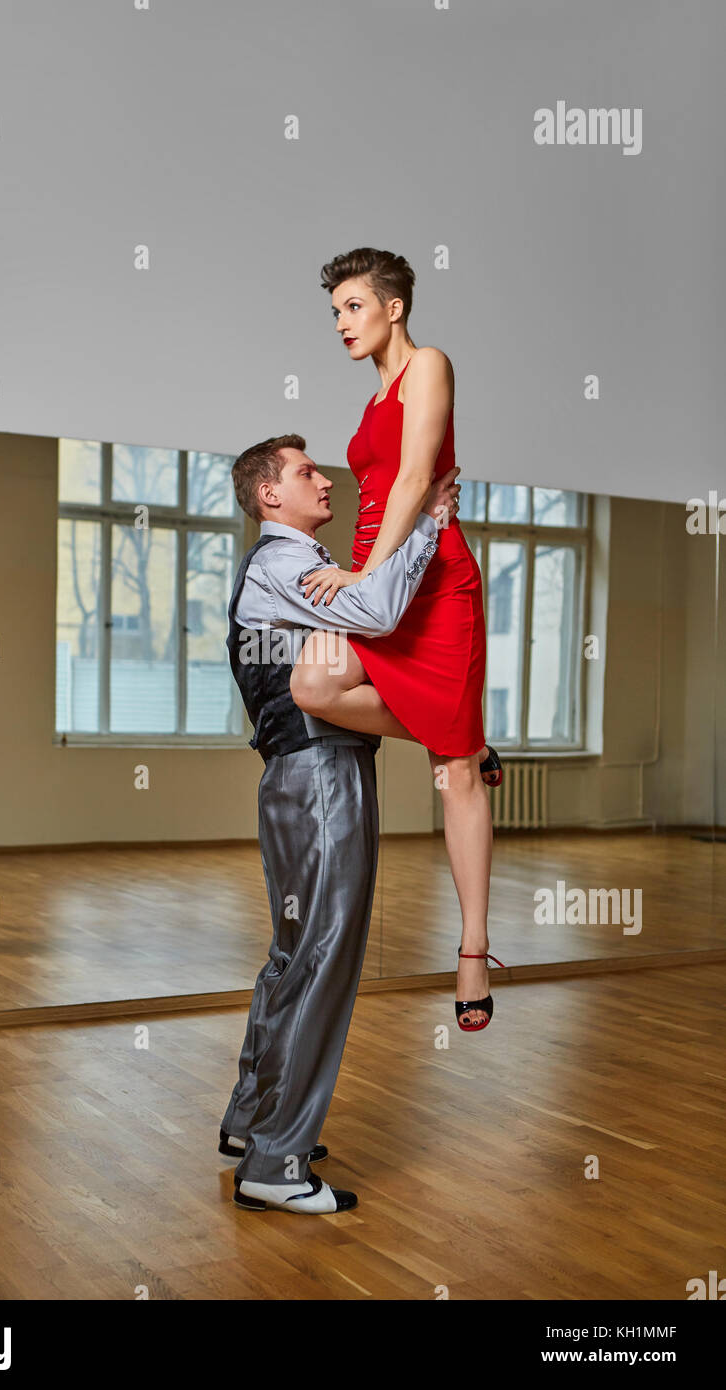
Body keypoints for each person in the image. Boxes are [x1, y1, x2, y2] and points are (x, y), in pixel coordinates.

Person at [220, 433, 458, 1214]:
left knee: (295, 954)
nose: (325, 480)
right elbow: (380, 612)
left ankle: (256, 1121)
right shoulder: (287, 563)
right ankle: (277, 1164)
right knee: (323, 956)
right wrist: (428, 521)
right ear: (269, 497)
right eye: (305, 472)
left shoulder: (271, 566)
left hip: (294, 776)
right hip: (321, 774)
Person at [290, 248, 504, 1032]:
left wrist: (360, 580)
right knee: (312, 684)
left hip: (433, 585)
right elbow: (391, 488)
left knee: (454, 781)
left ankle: (474, 950)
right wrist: (367, 580)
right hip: (384, 585)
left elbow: (414, 482)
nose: (342, 323)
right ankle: (461, 732)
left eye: (353, 306)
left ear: (393, 308)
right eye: (336, 311)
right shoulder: (376, 393)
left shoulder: (429, 366)